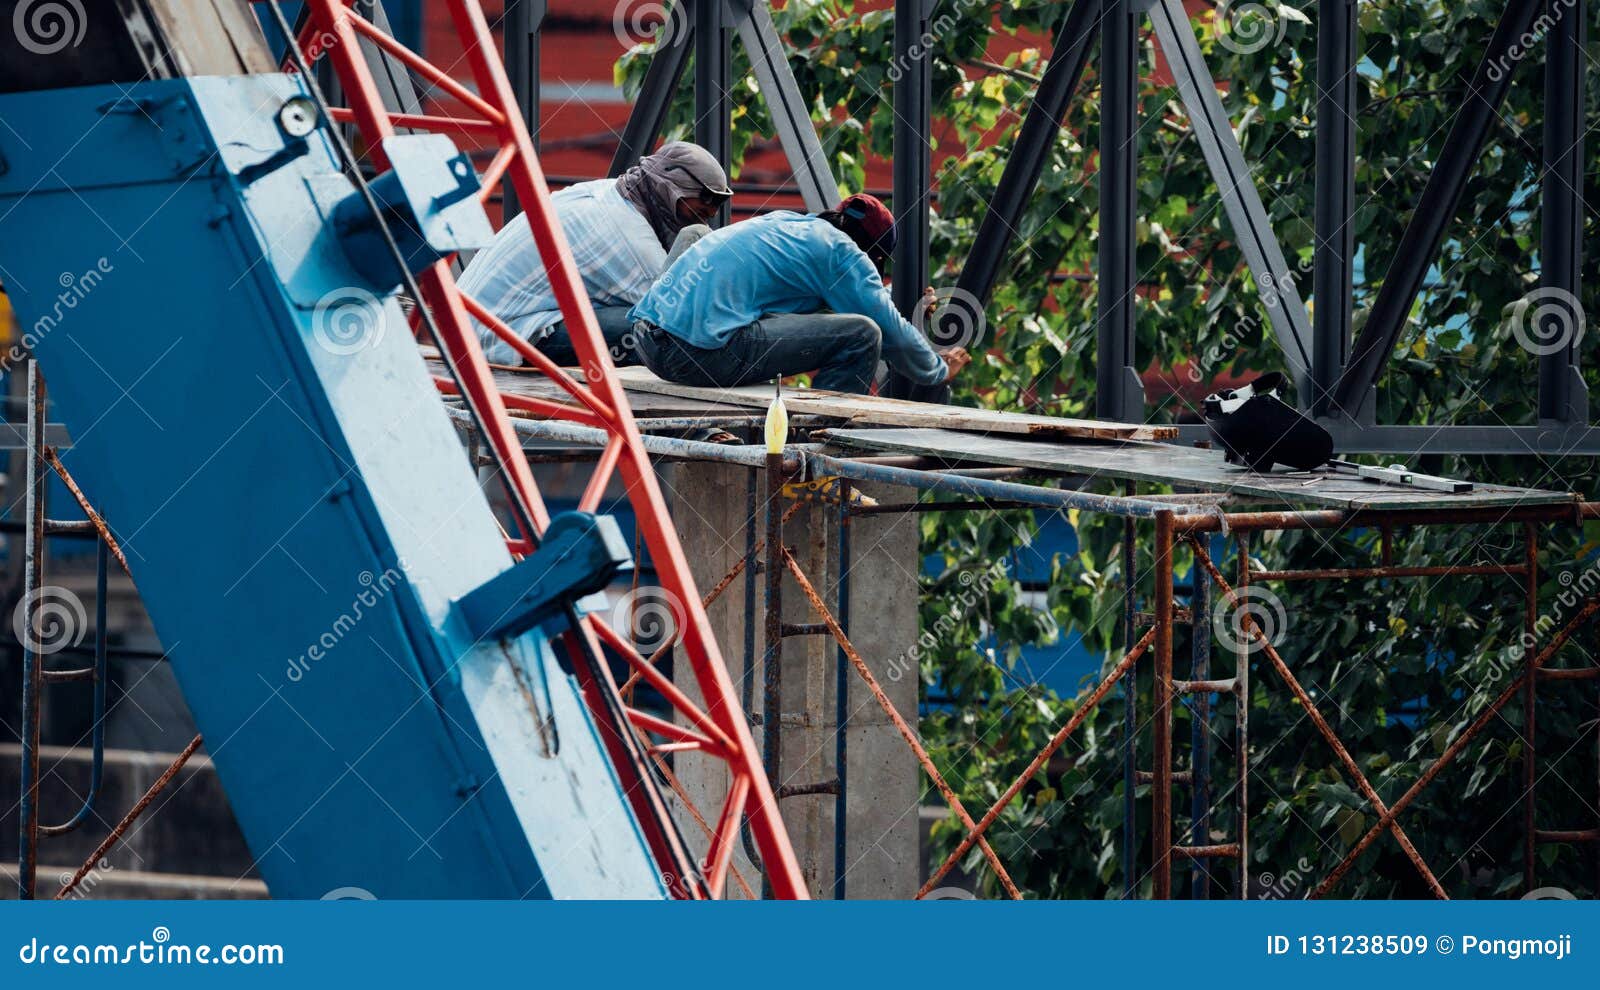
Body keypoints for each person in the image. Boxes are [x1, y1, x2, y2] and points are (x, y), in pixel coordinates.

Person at [627, 193, 970, 395]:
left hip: (648, 341)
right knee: (865, 334)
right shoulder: (844, 253)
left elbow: (853, 298)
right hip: (695, 356)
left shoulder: (787, 223)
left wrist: (899, 297)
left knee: (697, 236)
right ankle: (822, 437)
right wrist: (938, 370)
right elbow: (887, 328)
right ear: (872, 254)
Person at [457, 141, 732, 367]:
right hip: (495, 337)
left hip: (464, 324)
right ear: (668, 191)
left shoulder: (609, 192)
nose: (704, 221)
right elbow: (673, 315)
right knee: (658, 336)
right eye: (696, 212)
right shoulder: (630, 237)